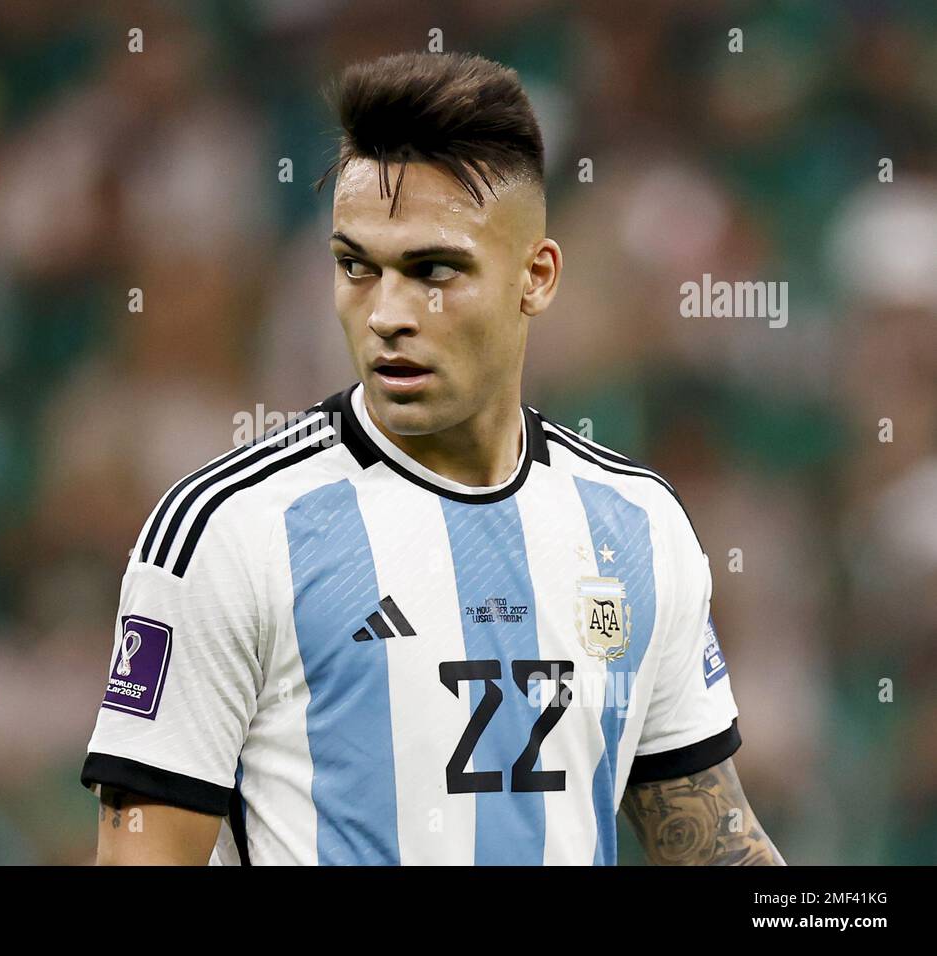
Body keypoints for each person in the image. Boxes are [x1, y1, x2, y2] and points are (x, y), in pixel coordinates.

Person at [80, 51, 784, 866]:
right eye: (356, 267)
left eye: (433, 271)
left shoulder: (637, 527)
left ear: (537, 277)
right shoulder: (228, 533)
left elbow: (716, 849)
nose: (385, 315)